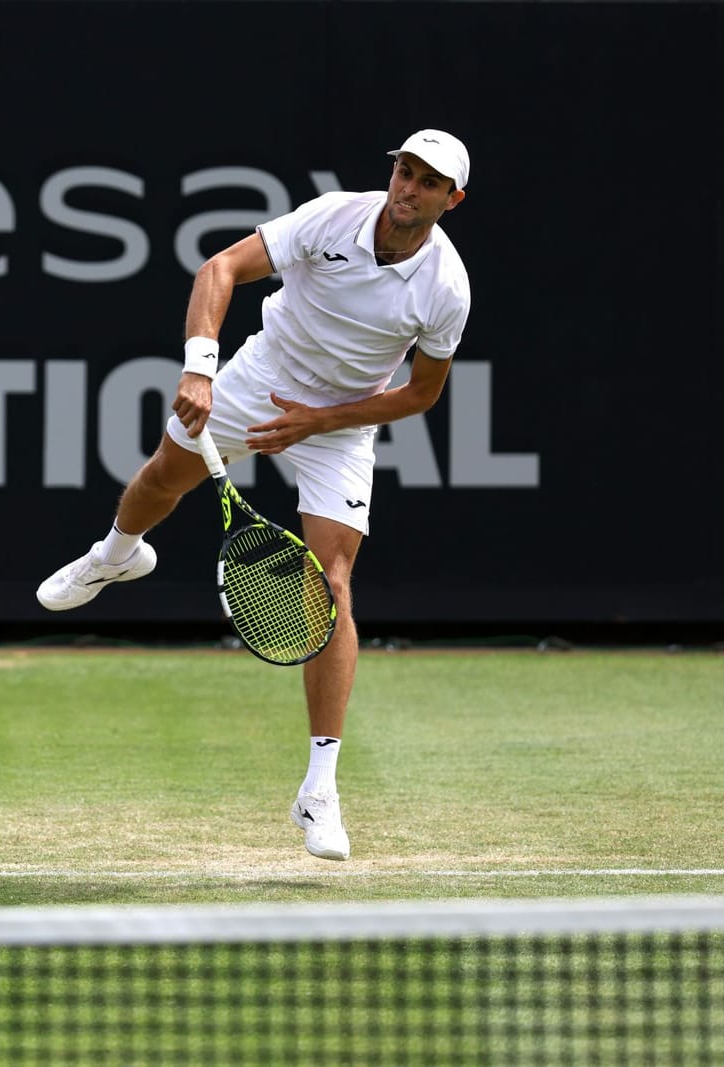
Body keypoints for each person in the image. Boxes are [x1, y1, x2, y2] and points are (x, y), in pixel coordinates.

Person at [36, 130, 472, 861]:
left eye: (428, 182)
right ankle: (114, 553)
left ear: (451, 200)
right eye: (404, 171)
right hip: (259, 376)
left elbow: (421, 394)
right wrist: (200, 369)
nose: (408, 188)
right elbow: (221, 268)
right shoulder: (333, 216)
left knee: (332, 587)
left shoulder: (446, 289)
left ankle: (320, 791)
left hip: (341, 419)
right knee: (160, 480)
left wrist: (319, 421)